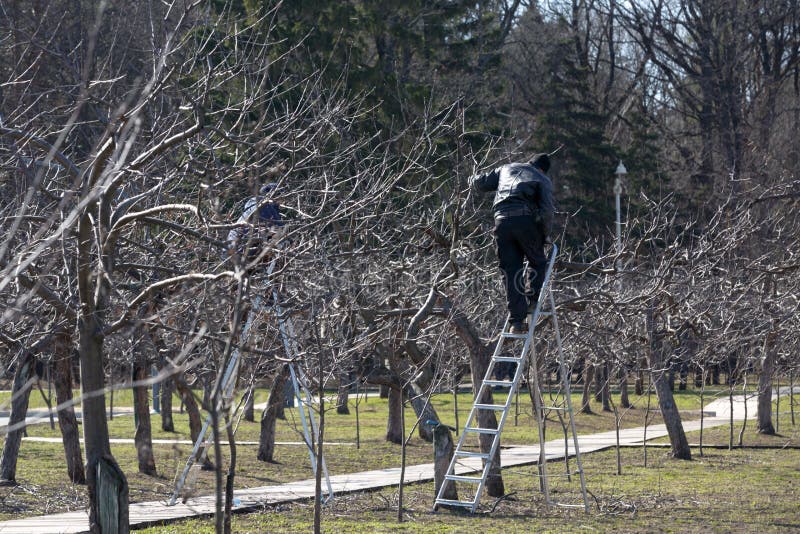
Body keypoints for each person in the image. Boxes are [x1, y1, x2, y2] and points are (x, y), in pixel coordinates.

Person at [471, 153, 554, 334]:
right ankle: (533, 301)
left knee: (510, 271)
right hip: (525, 221)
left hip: (501, 222)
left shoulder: (506, 168)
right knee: (538, 261)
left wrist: (472, 177)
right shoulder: (542, 179)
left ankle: (516, 321)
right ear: (543, 169)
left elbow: (480, 182)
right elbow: (547, 211)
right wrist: (545, 235)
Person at [226, 183, 284, 261]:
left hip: (229, 250)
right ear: (274, 195)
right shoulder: (266, 206)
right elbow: (280, 229)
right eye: (282, 197)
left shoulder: (253, 204)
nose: (282, 202)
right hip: (241, 252)